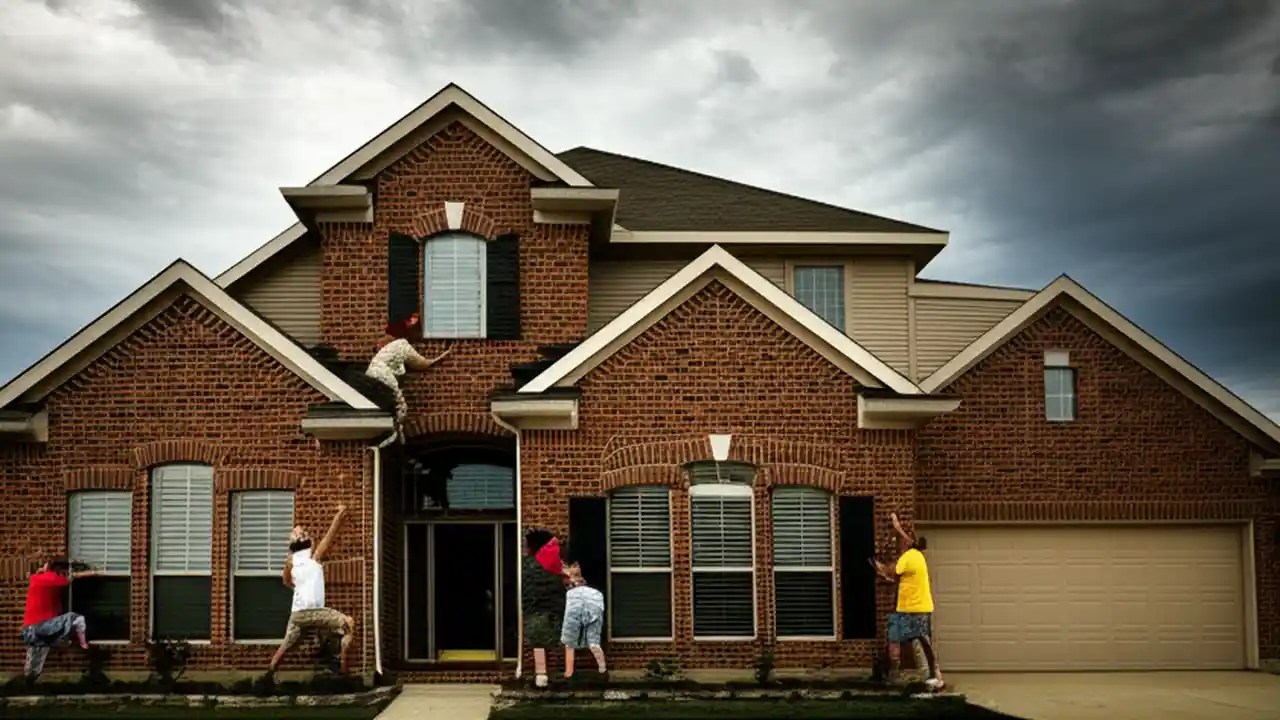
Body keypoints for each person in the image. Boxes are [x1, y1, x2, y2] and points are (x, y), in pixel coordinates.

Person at [268, 504, 356, 676]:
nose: (309, 535)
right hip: (315, 612)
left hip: (298, 615)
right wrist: (340, 514)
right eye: (305, 534)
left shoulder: (291, 565)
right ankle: (344, 672)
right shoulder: (314, 559)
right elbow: (329, 537)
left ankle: (268, 676)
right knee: (349, 624)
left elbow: (286, 582)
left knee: (286, 646)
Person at [872, 512, 944, 691]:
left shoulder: (910, 556)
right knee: (899, 640)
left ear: (906, 543)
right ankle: (896, 675)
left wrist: (881, 568)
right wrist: (896, 526)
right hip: (904, 609)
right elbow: (896, 576)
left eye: (899, 541)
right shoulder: (914, 555)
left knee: (921, 643)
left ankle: (934, 678)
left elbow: (892, 572)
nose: (897, 543)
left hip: (916, 609)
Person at [364, 312, 453, 445]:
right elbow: (422, 363)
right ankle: (396, 430)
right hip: (381, 372)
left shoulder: (391, 348)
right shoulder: (402, 345)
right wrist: (442, 356)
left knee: (395, 402)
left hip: (372, 374)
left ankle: (394, 429)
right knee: (401, 404)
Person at [21, 557, 98, 684]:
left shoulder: (35, 579)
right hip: (42, 626)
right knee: (76, 618)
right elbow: (70, 578)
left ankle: (27, 681)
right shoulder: (51, 578)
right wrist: (91, 573)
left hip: (29, 630)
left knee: (37, 656)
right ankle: (75, 641)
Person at [521, 529, 566, 688]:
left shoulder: (529, 565)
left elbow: (527, 588)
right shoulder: (554, 562)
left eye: (525, 545)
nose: (523, 548)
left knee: (538, 643)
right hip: (556, 609)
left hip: (536, 610)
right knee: (553, 643)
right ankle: (554, 674)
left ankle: (541, 674)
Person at [560, 560, 606, 680]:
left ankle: (569, 672)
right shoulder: (590, 587)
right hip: (595, 602)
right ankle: (602, 668)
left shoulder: (570, 586)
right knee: (593, 642)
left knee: (569, 642)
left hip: (576, 603)